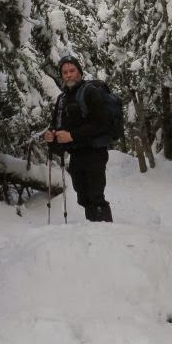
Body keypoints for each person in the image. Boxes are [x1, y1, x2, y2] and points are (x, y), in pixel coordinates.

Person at [44, 56, 113, 222]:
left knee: (96, 196)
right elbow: (56, 125)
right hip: (76, 155)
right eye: (65, 72)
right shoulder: (62, 99)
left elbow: (102, 123)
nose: (68, 75)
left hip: (95, 152)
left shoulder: (90, 92)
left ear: (80, 72)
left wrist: (72, 135)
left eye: (72, 71)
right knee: (83, 197)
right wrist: (51, 135)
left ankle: (107, 236)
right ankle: (94, 228)